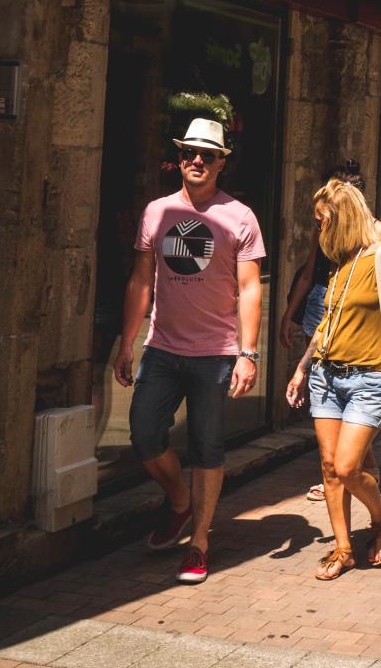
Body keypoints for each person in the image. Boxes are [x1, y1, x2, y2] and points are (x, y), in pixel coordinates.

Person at [114, 118, 265, 586]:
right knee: (143, 435)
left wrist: (248, 353)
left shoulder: (240, 217)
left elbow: (249, 289)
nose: (197, 160)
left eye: (208, 154)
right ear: (179, 157)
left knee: (206, 448)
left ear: (223, 161)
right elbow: (142, 278)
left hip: (216, 353)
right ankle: (179, 501)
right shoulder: (157, 211)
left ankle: (199, 540)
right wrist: (127, 340)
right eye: (189, 153)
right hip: (161, 347)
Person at [285, 179, 381, 579]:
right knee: (327, 466)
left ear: (343, 218)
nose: (319, 229)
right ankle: (343, 549)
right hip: (326, 376)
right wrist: (302, 367)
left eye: (323, 221)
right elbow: (326, 324)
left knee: (346, 467)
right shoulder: (339, 265)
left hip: (367, 379)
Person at [279, 159, 381, 504]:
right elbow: (313, 268)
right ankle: (340, 469)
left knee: (352, 400)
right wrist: (289, 313)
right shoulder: (324, 225)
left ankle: (355, 467)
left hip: (359, 320)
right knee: (325, 382)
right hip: (324, 305)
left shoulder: (378, 233)